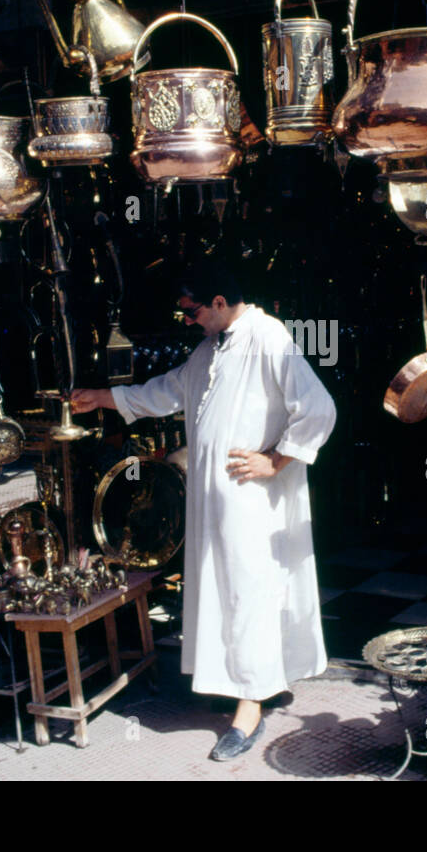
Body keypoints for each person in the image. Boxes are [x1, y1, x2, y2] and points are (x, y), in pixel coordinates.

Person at [71, 262, 336, 760]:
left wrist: (274, 459)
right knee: (225, 588)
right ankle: (252, 682)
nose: (187, 320)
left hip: (251, 500)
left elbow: (319, 407)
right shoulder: (210, 349)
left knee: (248, 590)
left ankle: (249, 709)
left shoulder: (267, 336)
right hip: (215, 500)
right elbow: (167, 391)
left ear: (218, 302)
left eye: (192, 311)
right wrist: (102, 398)